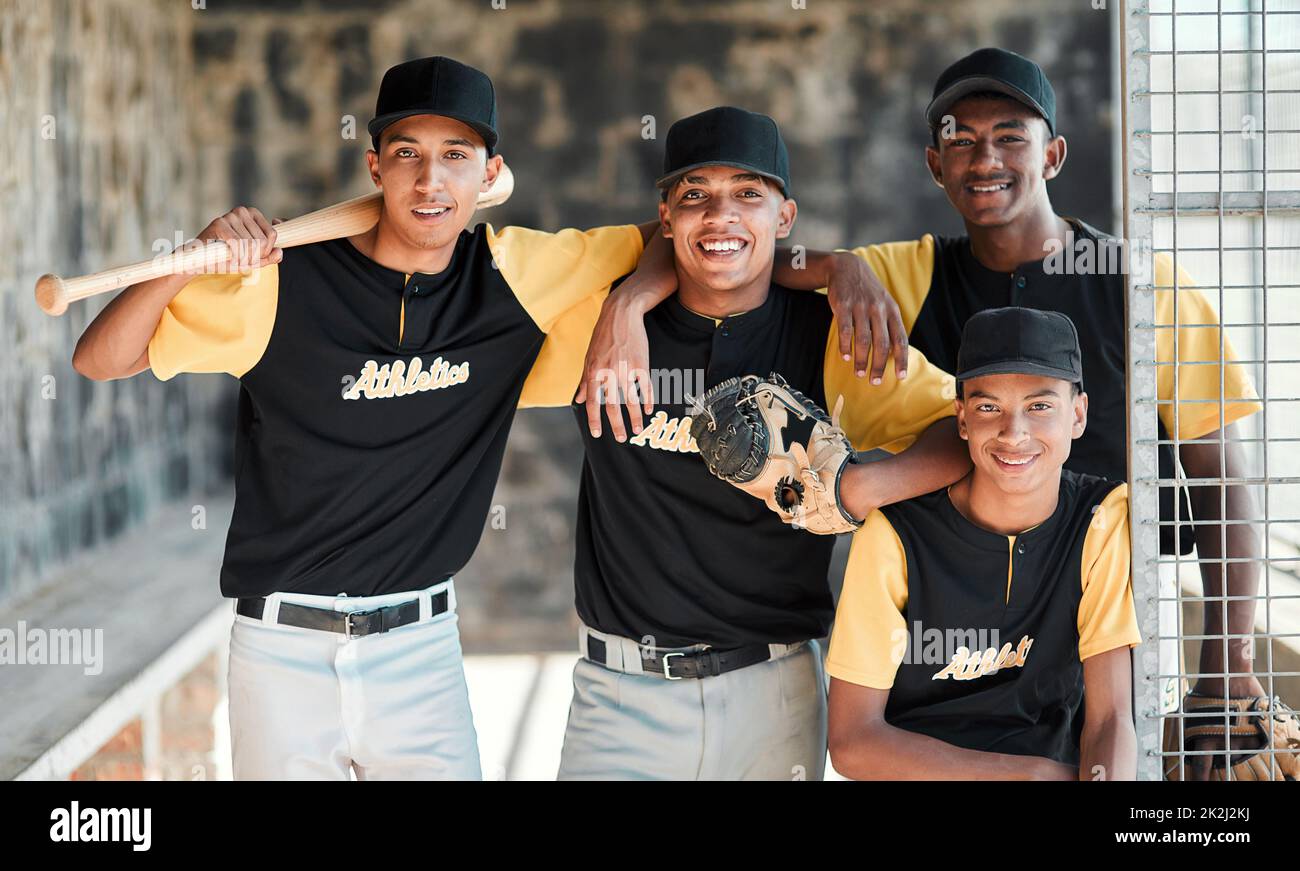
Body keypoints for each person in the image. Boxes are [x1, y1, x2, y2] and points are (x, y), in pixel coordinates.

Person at [580, 48, 1272, 778]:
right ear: (934, 164)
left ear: (1054, 153)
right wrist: (840, 268)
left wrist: (1224, 670)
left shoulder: (1146, 288)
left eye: (1010, 136)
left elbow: (1221, 485)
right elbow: (737, 255)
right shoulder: (906, 277)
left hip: (1108, 631)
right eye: (959, 139)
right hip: (955, 645)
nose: (985, 158)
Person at [72, 56, 657, 780]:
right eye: (408, 154)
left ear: (490, 173)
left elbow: (671, 234)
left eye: (455, 157)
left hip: (421, 649)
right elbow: (100, 359)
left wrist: (629, 307)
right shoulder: (281, 285)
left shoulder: (515, 276)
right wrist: (190, 257)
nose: (430, 181)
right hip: (281, 651)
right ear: (375, 166)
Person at [526, 107, 968, 780]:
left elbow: (967, 428)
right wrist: (629, 300)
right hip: (620, 696)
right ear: (666, 216)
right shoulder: (605, 330)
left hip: (773, 688)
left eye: (747, 195)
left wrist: (863, 484)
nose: (720, 216)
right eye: (695, 195)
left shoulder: (830, 336)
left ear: (783, 216)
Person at [826, 307, 1139, 780]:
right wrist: (1031, 777)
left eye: (1039, 406)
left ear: (1077, 415)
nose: (1014, 434)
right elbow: (852, 742)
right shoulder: (896, 533)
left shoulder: (1101, 517)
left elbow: (1112, 716)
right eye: (989, 407)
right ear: (962, 418)